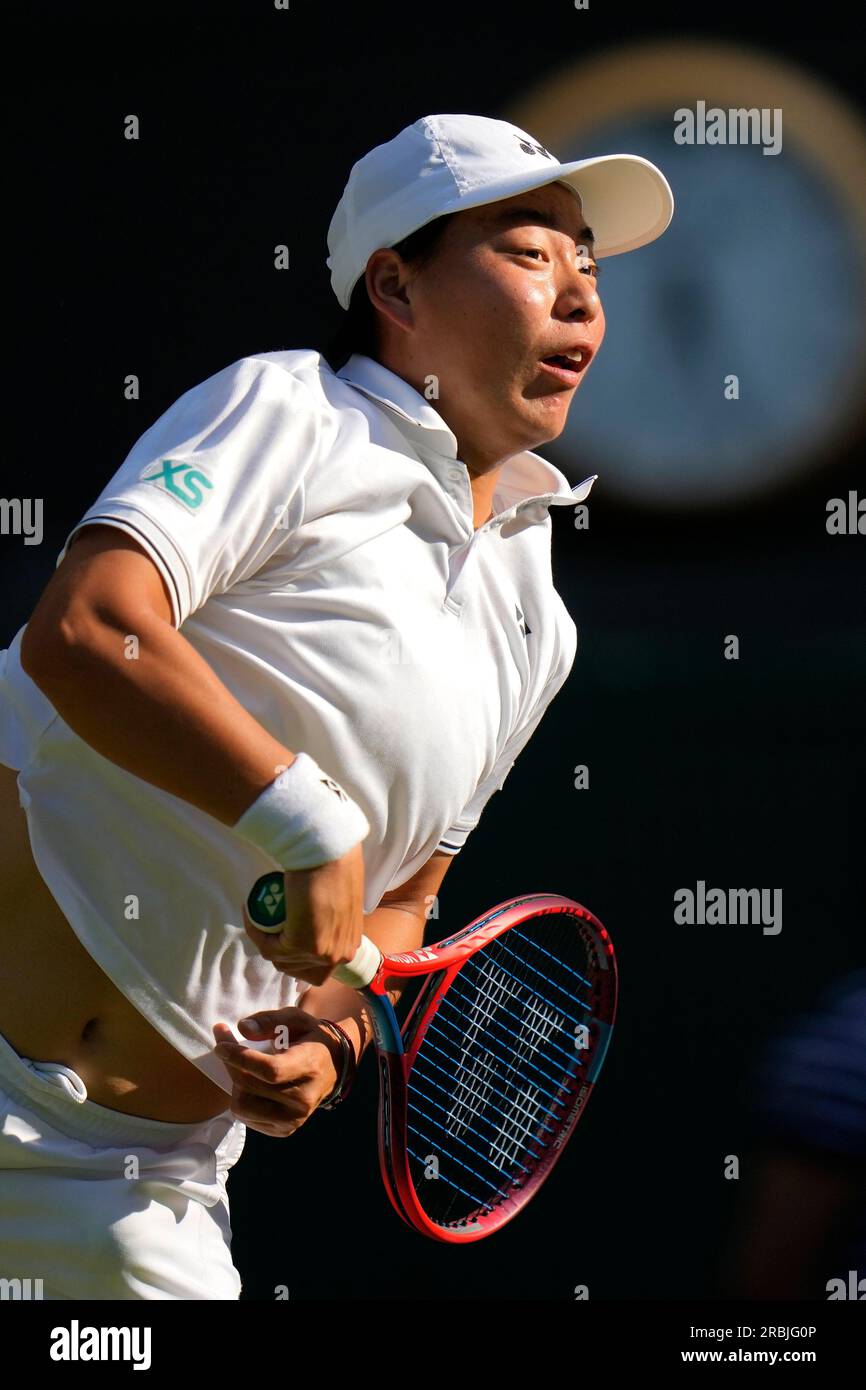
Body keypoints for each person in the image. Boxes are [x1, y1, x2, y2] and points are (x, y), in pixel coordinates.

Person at [0, 112, 673, 1299]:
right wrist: (303, 820)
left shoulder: (537, 619)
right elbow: (89, 629)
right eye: (530, 251)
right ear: (394, 283)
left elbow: (408, 900)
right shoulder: (292, 411)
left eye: (589, 265)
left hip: (139, 1197)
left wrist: (328, 1030)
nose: (578, 293)